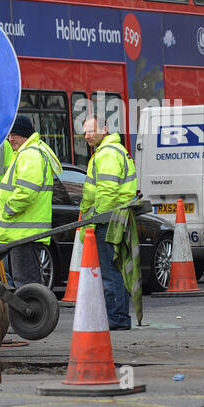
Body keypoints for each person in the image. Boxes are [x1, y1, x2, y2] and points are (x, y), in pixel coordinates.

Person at [80, 115, 139, 330]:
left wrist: (96, 219)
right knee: (115, 268)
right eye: (85, 131)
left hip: (108, 220)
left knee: (110, 271)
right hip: (115, 218)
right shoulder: (110, 151)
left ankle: (117, 317)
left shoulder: (107, 153)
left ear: (104, 129)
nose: (86, 136)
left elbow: (107, 191)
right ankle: (117, 315)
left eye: (91, 131)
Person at [0, 116, 60, 287]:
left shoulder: (31, 155)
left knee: (26, 284)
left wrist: (8, 210)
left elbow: (27, 192)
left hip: (23, 232)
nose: (10, 139)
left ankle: (31, 314)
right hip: (18, 232)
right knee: (21, 282)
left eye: (13, 135)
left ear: (23, 135)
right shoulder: (27, 153)